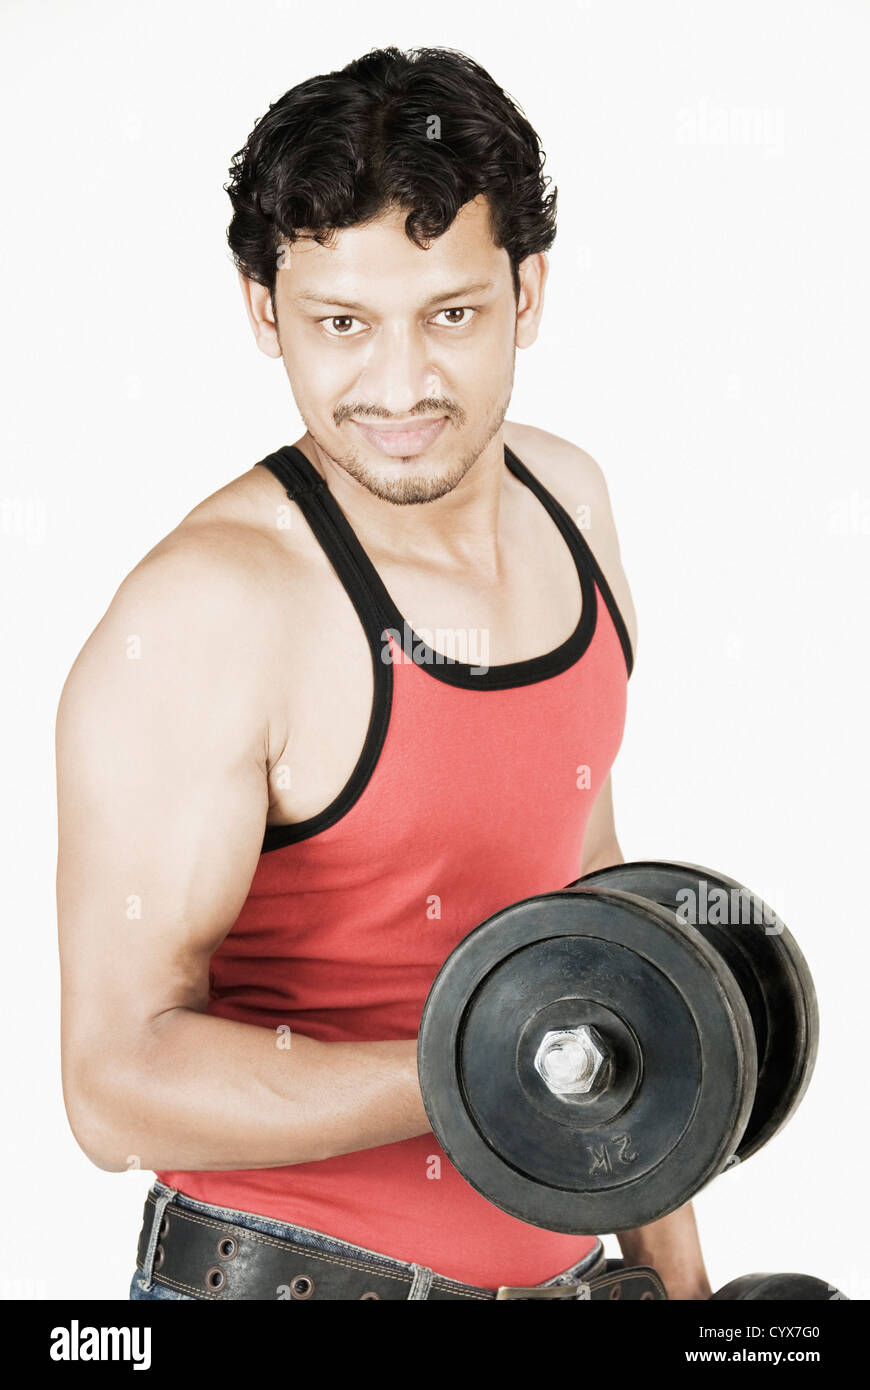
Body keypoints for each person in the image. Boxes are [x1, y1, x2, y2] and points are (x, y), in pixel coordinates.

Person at [56, 44, 711, 1301]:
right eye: (342, 324)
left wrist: (679, 1284)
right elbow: (110, 1085)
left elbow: (600, 930)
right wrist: (483, 1064)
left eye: (450, 315)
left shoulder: (571, 500)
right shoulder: (212, 608)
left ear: (528, 291)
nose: (400, 385)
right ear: (264, 309)